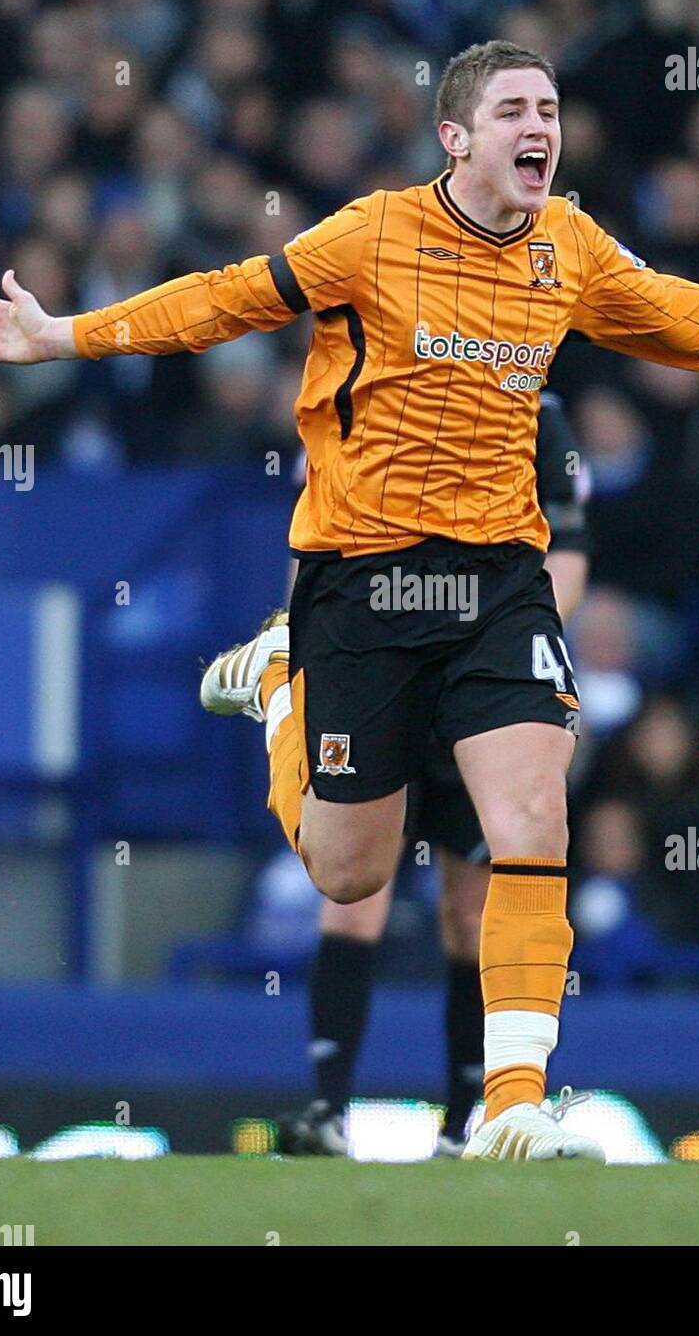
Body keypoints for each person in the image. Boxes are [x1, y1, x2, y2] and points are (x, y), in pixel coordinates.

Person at [0, 39, 699, 1162]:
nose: (537, 126)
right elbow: (225, 300)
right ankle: (277, 686)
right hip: (362, 579)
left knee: (532, 817)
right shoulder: (374, 233)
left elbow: (667, 313)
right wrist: (64, 334)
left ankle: (511, 1094)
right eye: (511, 109)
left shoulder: (568, 247)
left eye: (547, 107)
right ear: (455, 137)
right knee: (349, 867)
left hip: (499, 578)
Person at [205, 391, 589, 1157]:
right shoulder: (360, 385)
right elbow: (312, 549)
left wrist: (508, 657)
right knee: (350, 888)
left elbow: (567, 554)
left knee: (477, 901)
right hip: (377, 663)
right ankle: (328, 1109)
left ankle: (473, 1119)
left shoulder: (537, 409)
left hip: (477, 667)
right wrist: (315, 658)